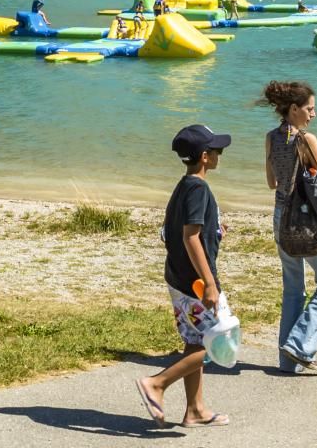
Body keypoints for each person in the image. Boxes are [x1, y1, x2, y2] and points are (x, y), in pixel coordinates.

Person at [136, 124, 232, 429]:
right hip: (196, 282)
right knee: (217, 339)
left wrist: (216, 232)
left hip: (179, 277)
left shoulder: (184, 185)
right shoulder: (199, 188)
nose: (220, 153)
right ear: (205, 157)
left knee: (194, 340)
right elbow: (190, 236)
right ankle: (157, 384)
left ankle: (196, 410)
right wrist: (211, 284)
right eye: (217, 149)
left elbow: (176, 232)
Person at [264, 80, 317, 374]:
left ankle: (289, 361)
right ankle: (300, 346)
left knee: (293, 289)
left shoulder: (271, 138)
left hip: (280, 215)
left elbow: (272, 182)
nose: (313, 115)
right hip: (305, 221)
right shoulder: (306, 140)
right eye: (310, 109)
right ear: (295, 109)